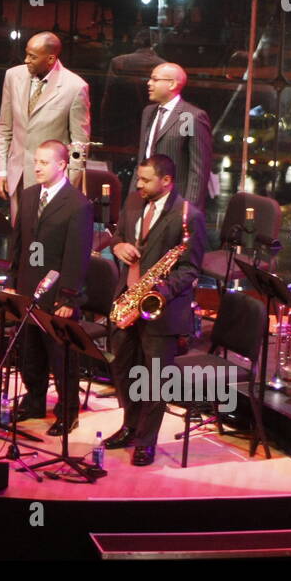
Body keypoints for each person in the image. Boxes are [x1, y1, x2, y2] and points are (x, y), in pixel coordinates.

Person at [105, 154, 207, 466]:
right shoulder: (135, 203)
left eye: (146, 179)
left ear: (166, 181)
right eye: (139, 178)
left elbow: (190, 269)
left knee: (153, 380)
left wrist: (157, 291)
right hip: (127, 300)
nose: (139, 184)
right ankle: (130, 426)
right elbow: (119, 236)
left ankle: (146, 442)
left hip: (160, 309)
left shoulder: (189, 216)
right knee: (123, 369)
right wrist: (117, 246)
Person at [9, 141, 94, 434]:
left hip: (59, 294)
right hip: (28, 290)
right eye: (36, 161)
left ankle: (67, 411)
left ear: (61, 165)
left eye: (44, 163)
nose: (36, 167)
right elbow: (18, 243)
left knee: (61, 357)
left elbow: (77, 256)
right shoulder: (30, 195)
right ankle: (33, 402)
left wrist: (68, 296)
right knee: (30, 352)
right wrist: (12, 284)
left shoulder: (78, 205)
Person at [0, 31, 90, 222]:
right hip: (17, 176)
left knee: (43, 241)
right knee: (19, 240)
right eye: (27, 53)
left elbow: (79, 144)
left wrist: (69, 187)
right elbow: (4, 127)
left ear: (51, 58)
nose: (26, 60)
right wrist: (1, 170)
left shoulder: (75, 87)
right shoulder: (13, 76)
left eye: (33, 56)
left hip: (51, 181)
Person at [136, 62, 213, 211]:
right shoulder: (149, 112)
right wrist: (133, 198)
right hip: (144, 199)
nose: (149, 83)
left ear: (171, 84)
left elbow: (198, 169)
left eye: (155, 79)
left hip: (174, 202)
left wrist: (189, 209)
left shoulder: (188, 116)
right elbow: (143, 157)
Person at [99, 31, 165, 149]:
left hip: (121, 118)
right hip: (152, 119)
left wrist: (104, 123)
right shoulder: (163, 64)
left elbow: (109, 94)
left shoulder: (119, 61)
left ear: (135, 42)